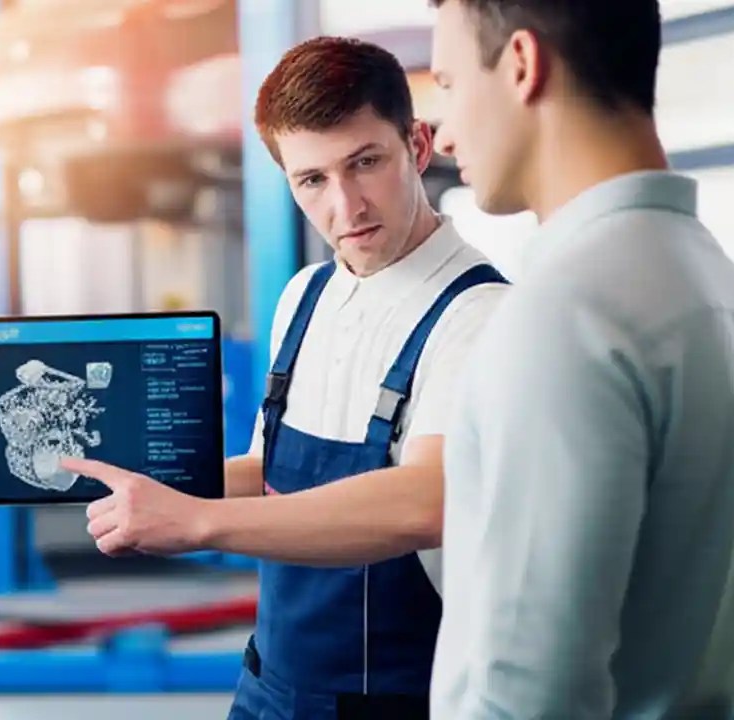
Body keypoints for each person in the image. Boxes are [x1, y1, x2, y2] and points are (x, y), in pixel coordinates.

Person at [62, 37, 508, 718]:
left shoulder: (479, 315)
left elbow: (425, 501)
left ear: (417, 146)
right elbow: (273, 467)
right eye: (313, 180)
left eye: (366, 163)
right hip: (267, 682)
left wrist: (197, 522)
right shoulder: (306, 295)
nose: (347, 206)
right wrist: (150, 480)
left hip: (389, 700)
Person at [426, 1, 734, 716]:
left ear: (521, 63)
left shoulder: (565, 315)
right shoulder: (725, 293)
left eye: (450, 84)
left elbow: (531, 696)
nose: (445, 131)